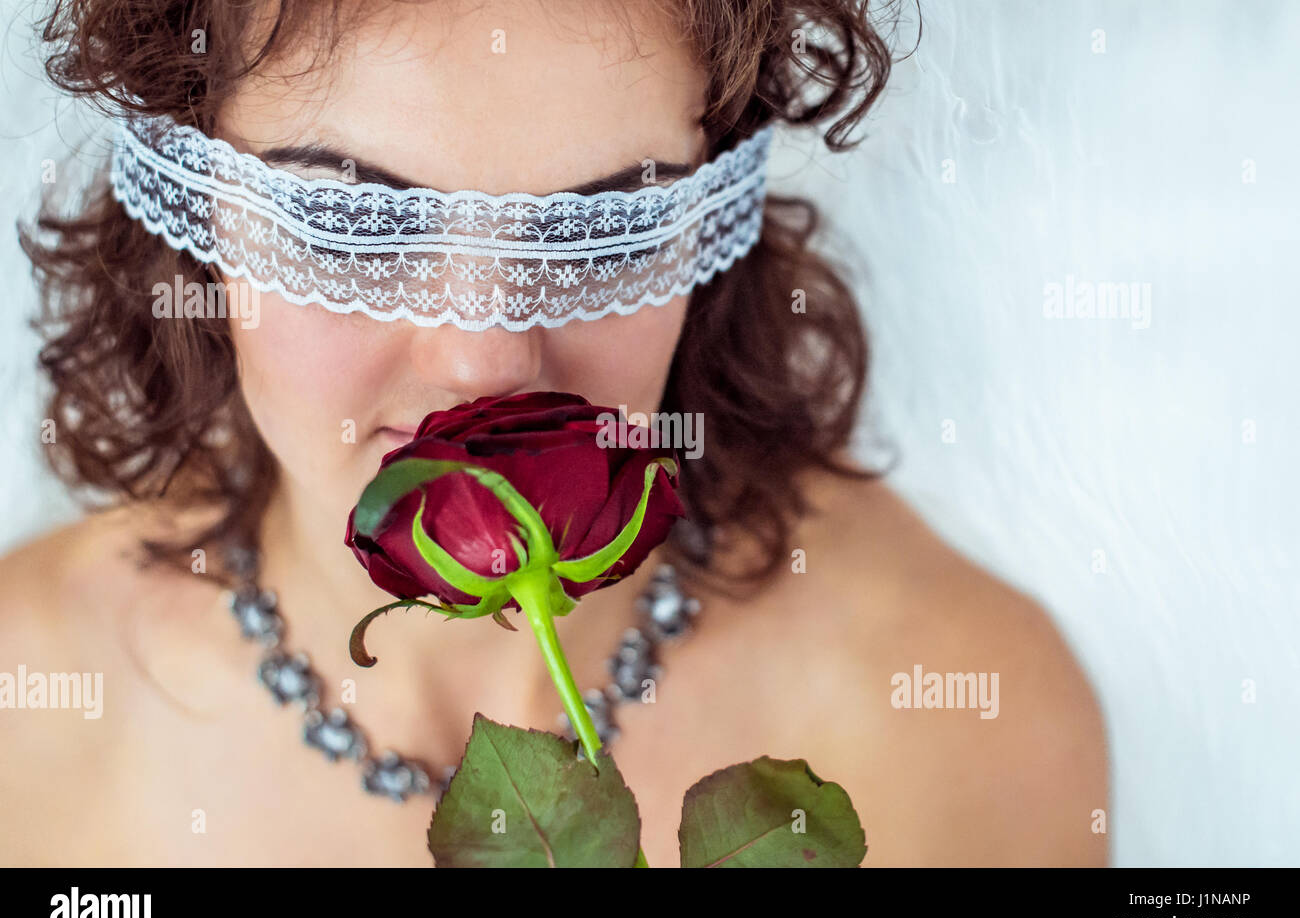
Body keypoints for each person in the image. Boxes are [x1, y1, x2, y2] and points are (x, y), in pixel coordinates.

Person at [1, 0, 1107, 866]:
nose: (487, 359)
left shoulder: (961, 709)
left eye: (606, 224)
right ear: (193, 223)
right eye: (346, 218)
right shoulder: (30, 716)